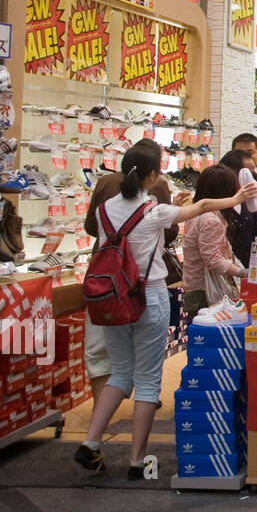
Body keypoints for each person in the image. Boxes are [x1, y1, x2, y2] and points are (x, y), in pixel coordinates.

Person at [74, 146, 257, 478]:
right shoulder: (152, 211)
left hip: (110, 299)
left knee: (119, 372)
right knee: (147, 380)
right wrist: (235, 199)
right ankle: (137, 461)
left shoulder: (103, 211)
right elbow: (201, 207)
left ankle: (91, 442)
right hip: (149, 297)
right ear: (151, 176)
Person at [83, 137, 178, 407]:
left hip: (104, 276)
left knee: (100, 349)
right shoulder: (157, 186)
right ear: (152, 169)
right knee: (144, 348)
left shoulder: (104, 182)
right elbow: (169, 232)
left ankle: (103, 409)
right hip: (141, 281)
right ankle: (145, 398)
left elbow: (91, 227)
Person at [180, 165, 247, 320]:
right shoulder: (210, 219)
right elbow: (214, 261)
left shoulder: (196, 213)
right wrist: (243, 273)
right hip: (205, 292)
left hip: (194, 288)